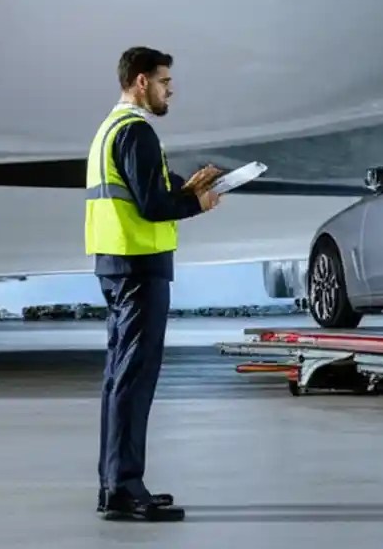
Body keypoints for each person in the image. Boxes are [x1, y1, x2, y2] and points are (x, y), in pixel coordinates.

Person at [84, 46, 224, 522]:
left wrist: (185, 189)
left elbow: (145, 192)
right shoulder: (137, 131)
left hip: (116, 263)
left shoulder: (110, 128)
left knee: (118, 379)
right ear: (141, 82)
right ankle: (124, 488)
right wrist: (197, 205)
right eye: (164, 82)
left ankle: (115, 485)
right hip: (139, 266)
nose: (170, 90)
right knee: (134, 380)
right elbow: (151, 206)